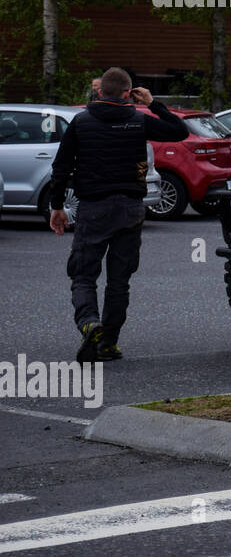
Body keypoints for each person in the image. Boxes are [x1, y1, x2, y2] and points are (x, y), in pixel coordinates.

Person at [49, 67, 189, 362]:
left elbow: (60, 168)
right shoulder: (139, 119)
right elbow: (179, 131)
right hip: (130, 208)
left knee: (84, 275)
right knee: (119, 281)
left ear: (100, 92)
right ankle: (108, 342)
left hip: (93, 208)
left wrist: (57, 206)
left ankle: (90, 324)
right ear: (129, 94)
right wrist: (152, 103)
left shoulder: (81, 122)